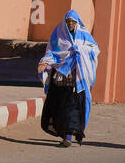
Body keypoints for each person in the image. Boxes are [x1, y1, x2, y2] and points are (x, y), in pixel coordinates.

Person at [37, 9, 99, 147]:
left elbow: (94, 49)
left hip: (76, 80)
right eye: (68, 21)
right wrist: (44, 62)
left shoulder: (84, 36)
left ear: (77, 23)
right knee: (60, 109)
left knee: (72, 109)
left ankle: (68, 137)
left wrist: (81, 50)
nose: (70, 24)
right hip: (60, 80)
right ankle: (66, 135)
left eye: (73, 22)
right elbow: (51, 52)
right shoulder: (58, 35)